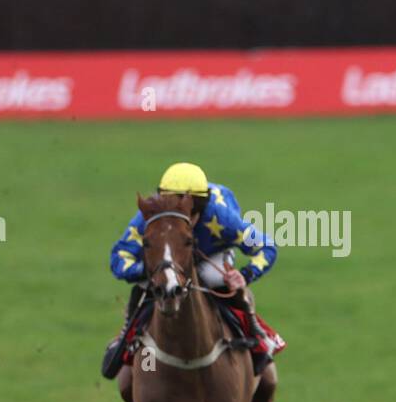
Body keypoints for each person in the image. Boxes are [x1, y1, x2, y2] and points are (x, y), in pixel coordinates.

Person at [101, 162, 280, 378]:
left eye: (188, 209)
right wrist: (146, 271)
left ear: (200, 207)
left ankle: (254, 335)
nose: (178, 214)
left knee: (215, 277)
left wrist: (245, 274)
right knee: (147, 284)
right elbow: (119, 255)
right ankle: (130, 339)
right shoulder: (151, 216)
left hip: (207, 256)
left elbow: (266, 246)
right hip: (165, 261)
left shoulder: (222, 217)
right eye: (170, 206)